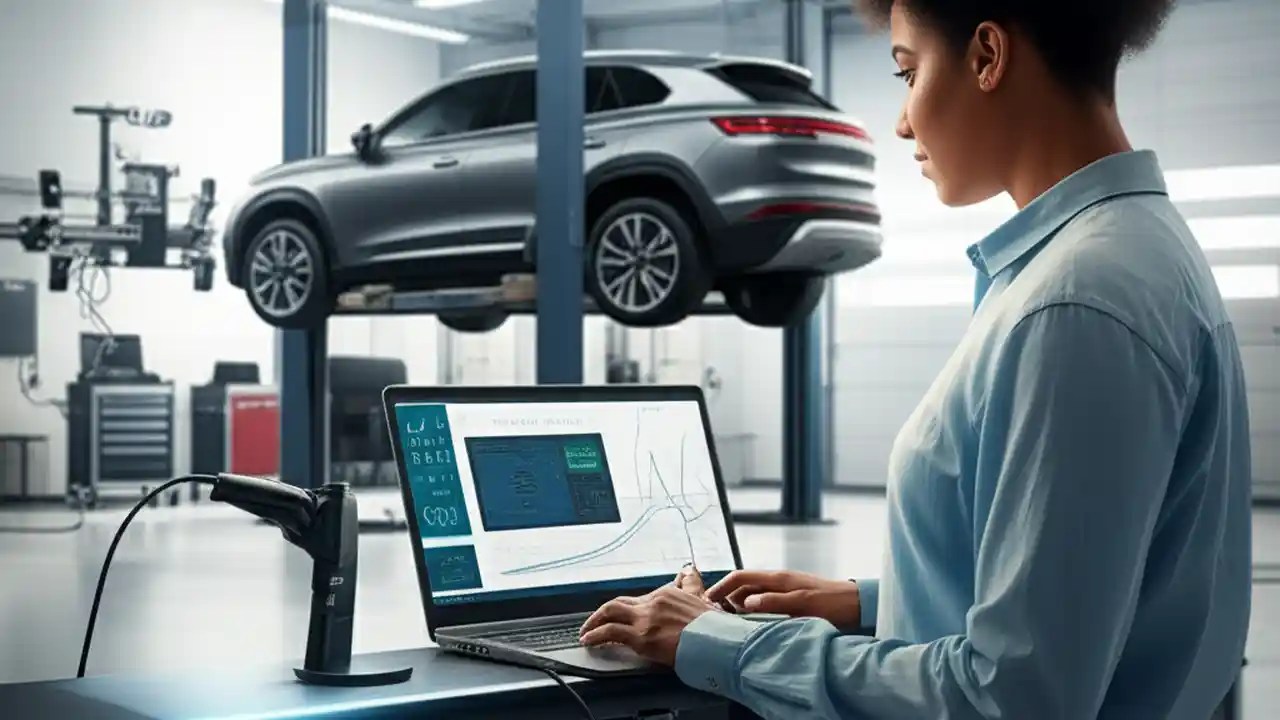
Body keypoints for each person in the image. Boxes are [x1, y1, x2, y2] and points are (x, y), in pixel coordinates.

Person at [579, 0, 1253, 717]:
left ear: (987, 56)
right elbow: (1096, 594)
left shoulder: (1076, 305)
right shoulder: (1137, 248)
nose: (902, 121)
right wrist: (870, 603)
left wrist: (718, 643)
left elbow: (1014, 699)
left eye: (908, 72)